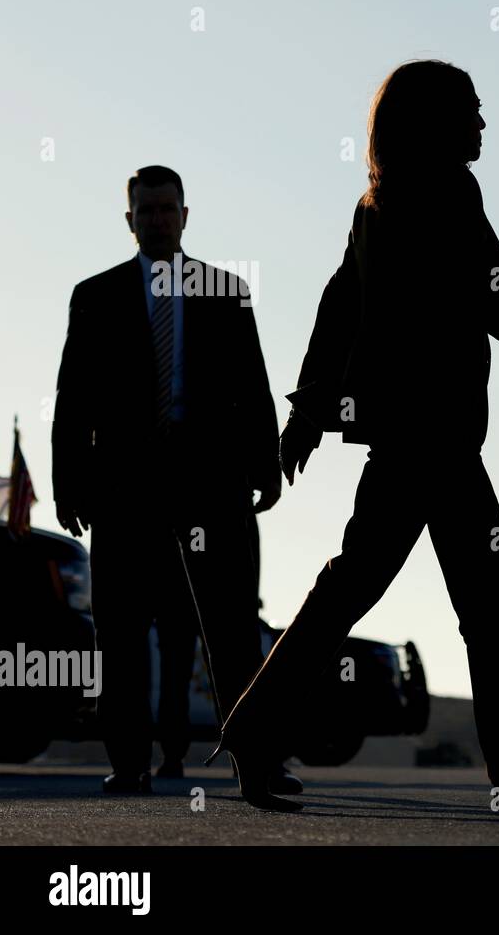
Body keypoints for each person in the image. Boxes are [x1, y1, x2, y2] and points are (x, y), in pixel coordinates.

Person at [210, 60, 499, 812]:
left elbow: (339, 306)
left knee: (359, 586)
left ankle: (254, 732)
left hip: (408, 436)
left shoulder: (376, 201)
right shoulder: (449, 191)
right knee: (482, 596)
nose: (485, 125)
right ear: (438, 120)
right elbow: (492, 301)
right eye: (475, 112)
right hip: (436, 438)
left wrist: (305, 415)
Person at [52, 165, 295, 795]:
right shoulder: (96, 295)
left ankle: (257, 767)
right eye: (146, 210)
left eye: (168, 209)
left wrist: (265, 466)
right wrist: (68, 483)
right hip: (123, 490)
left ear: (185, 216)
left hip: (210, 485)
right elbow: (72, 400)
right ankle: (130, 765)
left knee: (233, 630)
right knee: (122, 632)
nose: (158, 219)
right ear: (128, 218)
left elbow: (254, 389)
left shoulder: (227, 292)